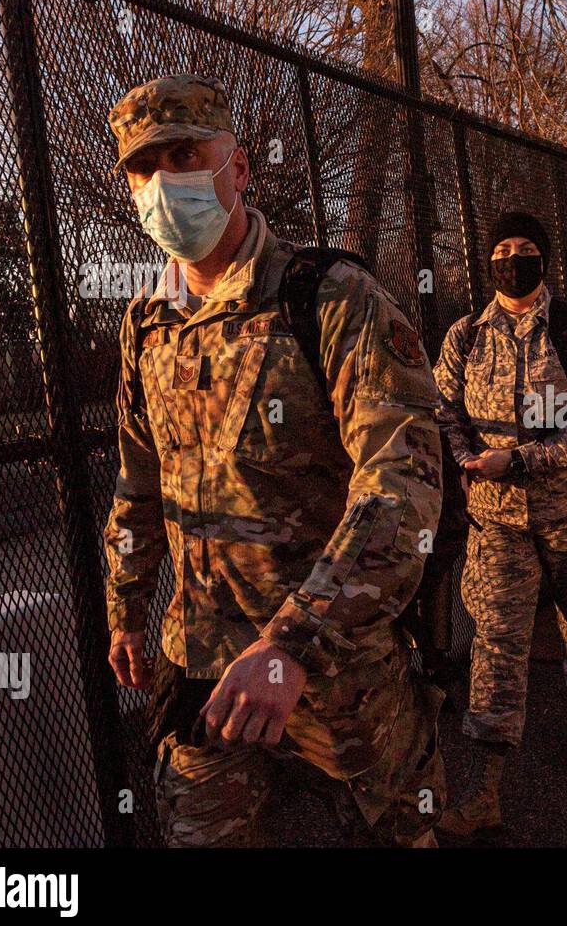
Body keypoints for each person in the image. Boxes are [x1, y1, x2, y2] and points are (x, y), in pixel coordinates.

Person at [103, 74, 444, 847]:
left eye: (183, 156)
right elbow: (135, 482)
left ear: (239, 167)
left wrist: (290, 645)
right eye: (142, 168)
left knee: (397, 831)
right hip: (202, 667)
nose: (162, 184)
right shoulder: (146, 324)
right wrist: (126, 609)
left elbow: (402, 484)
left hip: (336, 670)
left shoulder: (328, 297)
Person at [433, 210, 567, 837]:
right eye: (503, 249)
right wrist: (466, 460)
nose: (513, 258)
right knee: (497, 639)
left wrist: (520, 460)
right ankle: (486, 784)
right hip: (497, 520)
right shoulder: (465, 335)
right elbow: (441, 409)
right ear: (487, 261)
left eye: (526, 249)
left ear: (545, 260)